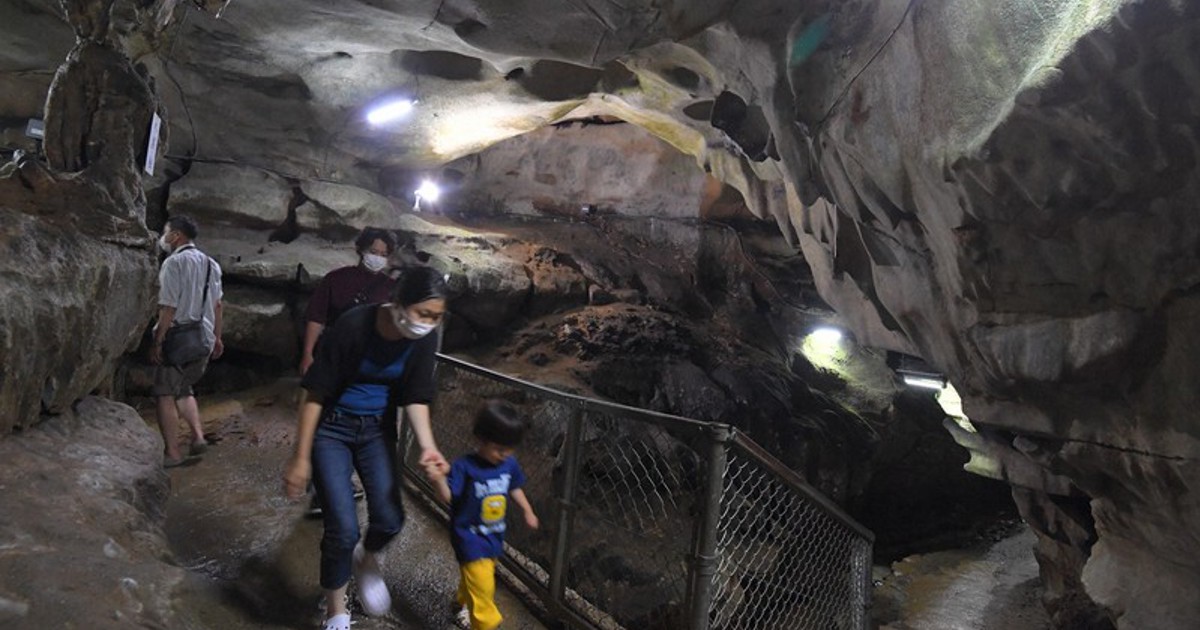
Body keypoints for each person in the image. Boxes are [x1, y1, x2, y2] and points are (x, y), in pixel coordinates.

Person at [283, 266, 450, 630]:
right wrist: (300, 457)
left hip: (376, 430)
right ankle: (337, 611)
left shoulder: (424, 340)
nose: (429, 323)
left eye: (437, 317)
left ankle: (366, 558)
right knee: (342, 529)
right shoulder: (353, 326)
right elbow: (315, 392)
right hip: (332, 430)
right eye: (424, 314)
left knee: (390, 518)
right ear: (398, 303)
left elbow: (416, 397)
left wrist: (428, 447)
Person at [426, 400, 540, 630]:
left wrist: (527, 510)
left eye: (509, 450)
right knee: (484, 588)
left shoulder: (508, 464)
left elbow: (514, 487)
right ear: (481, 440)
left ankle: (460, 600)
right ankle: (485, 624)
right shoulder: (464, 466)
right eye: (499, 449)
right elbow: (449, 497)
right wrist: (438, 479)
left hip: (494, 536)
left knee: (478, 577)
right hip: (469, 538)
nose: (504, 455)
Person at [150, 215, 224, 468]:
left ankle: (172, 452)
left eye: (166, 232)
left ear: (177, 236)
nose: (163, 237)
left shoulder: (173, 263)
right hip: (202, 337)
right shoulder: (211, 264)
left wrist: (159, 340)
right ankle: (198, 437)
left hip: (178, 337)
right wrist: (217, 337)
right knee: (184, 389)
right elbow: (218, 305)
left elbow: (168, 306)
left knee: (164, 393)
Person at [300, 227, 398, 375]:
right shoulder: (336, 278)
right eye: (373, 252)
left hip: (369, 358)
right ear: (360, 250)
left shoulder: (391, 287)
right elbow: (316, 317)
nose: (378, 258)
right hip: (334, 352)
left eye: (383, 254)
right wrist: (307, 354)